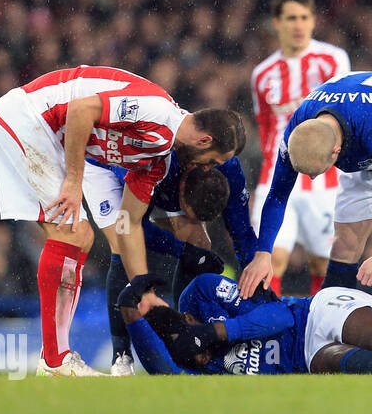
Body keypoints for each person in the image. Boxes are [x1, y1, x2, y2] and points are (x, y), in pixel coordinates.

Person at [0, 65, 242, 376]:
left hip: (37, 130)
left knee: (80, 236)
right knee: (75, 234)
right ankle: (55, 361)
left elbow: (128, 225)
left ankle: (55, 359)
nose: (207, 168)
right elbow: (81, 109)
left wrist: (143, 289)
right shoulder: (157, 112)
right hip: (28, 119)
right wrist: (74, 181)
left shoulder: (158, 159)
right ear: (204, 140)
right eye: (212, 161)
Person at [237, 71, 372, 337]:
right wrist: (263, 253)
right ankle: (327, 339)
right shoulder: (297, 130)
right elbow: (278, 194)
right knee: (344, 245)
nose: (311, 177)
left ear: (336, 152)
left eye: (316, 171)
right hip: (363, 148)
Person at [118, 272, 372, 375]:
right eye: (149, 300)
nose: (159, 297)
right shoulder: (189, 363)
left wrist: (217, 331)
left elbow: (278, 314)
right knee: (344, 361)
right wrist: (131, 317)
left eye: (154, 293)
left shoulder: (203, 293)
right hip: (306, 359)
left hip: (314, 312)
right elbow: (162, 369)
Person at [103, 152, 258, 375]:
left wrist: (252, 277)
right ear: (182, 194)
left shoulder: (228, 169)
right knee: (121, 246)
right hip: (108, 166)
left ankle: (184, 331)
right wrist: (182, 250)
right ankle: (121, 355)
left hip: (167, 177)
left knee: (199, 241)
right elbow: (128, 225)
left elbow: (242, 232)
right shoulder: (154, 162)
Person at [249, 0, 351, 296]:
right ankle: (271, 332)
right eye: (291, 18)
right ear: (276, 23)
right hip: (276, 179)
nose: (298, 25)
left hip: (325, 182)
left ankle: (322, 333)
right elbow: (265, 130)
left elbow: (344, 116)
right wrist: (262, 179)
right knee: (270, 259)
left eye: (304, 17)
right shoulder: (262, 74)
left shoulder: (333, 60)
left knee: (323, 266)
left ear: (313, 21)